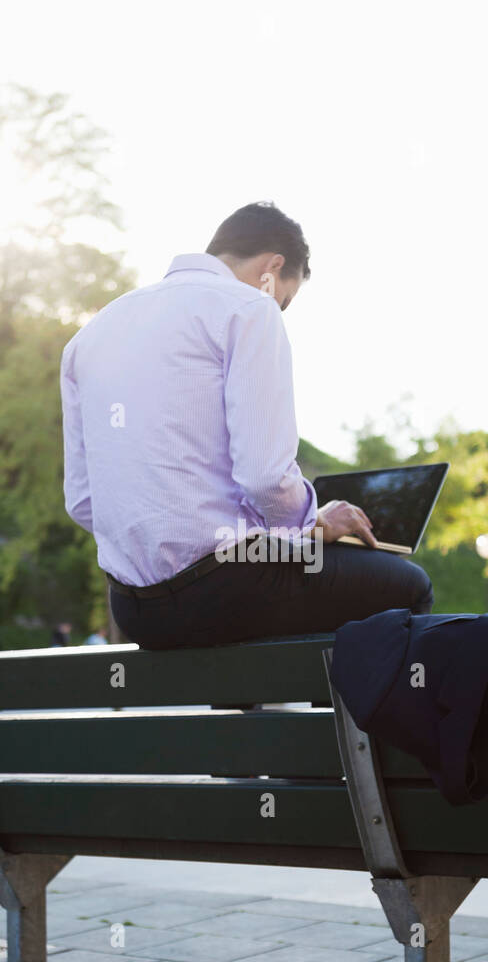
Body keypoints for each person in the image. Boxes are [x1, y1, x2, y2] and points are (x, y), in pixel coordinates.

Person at [61, 201, 433, 650]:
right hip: (223, 592)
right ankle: (337, 723)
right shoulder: (249, 309)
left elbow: (84, 501)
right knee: (409, 585)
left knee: (281, 586)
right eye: (286, 299)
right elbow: (264, 479)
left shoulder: (89, 336)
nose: (279, 308)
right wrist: (313, 525)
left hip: (134, 610)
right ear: (272, 269)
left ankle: (248, 714)